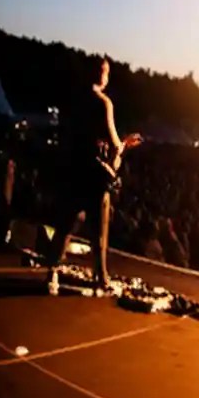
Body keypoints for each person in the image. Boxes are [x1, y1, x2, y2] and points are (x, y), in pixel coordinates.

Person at [45, 56, 140, 290]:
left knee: (66, 223)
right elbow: (114, 142)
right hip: (94, 174)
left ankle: (52, 272)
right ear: (103, 76)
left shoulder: (73, 101)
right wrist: (126, 144)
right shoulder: (102, 102)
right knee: (98, 229)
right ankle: (101, 277)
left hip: (72, 168)